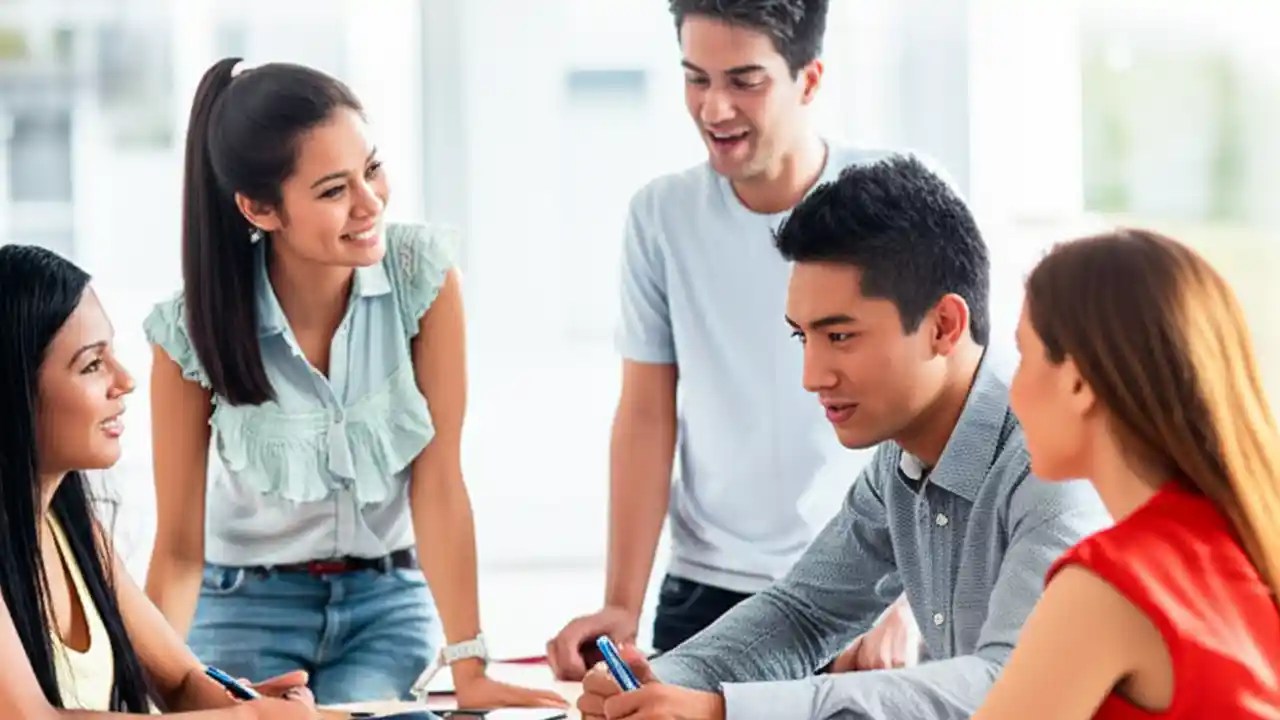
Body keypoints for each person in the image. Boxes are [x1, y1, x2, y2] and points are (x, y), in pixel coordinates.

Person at [577, 155, 1112, 720]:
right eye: (802, 337)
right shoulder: (900, 462)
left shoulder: (1053, 461)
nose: (813, 376)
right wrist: (659, 683)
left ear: (944, 326)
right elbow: (804, 613)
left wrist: (722, 710)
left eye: (839, 335)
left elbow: (1010, 686)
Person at [141, 58, 565, 710]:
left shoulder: (422, 279)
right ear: (260, 208)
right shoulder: (189, 331)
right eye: (334, 190)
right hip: (241, 608)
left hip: (384, 606)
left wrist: (470, 663)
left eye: (372, 169)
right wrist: (151, 686)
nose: (370, 203)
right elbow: (176, 550)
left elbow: (440, 485)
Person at [547, 0, 919, 680]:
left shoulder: (897, 198)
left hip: (865, 592)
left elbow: (953, 413)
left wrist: (915, 596)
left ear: (808, 81)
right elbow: (646, 412)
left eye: (744, 81)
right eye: (697, 78)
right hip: (709, 595)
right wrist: (620, 607)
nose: (714, 108)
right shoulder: (661, 216)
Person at [971, 230, 1280, 719]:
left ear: (1078, 382)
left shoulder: (1108, 585)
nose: (1013, 391)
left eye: (1024, 356)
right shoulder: (1245, 545)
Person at [0, 244, 317, 718]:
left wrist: (243, 704)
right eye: (91, 365)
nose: (124, 380)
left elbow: (182, 681)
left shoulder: (72, 525)